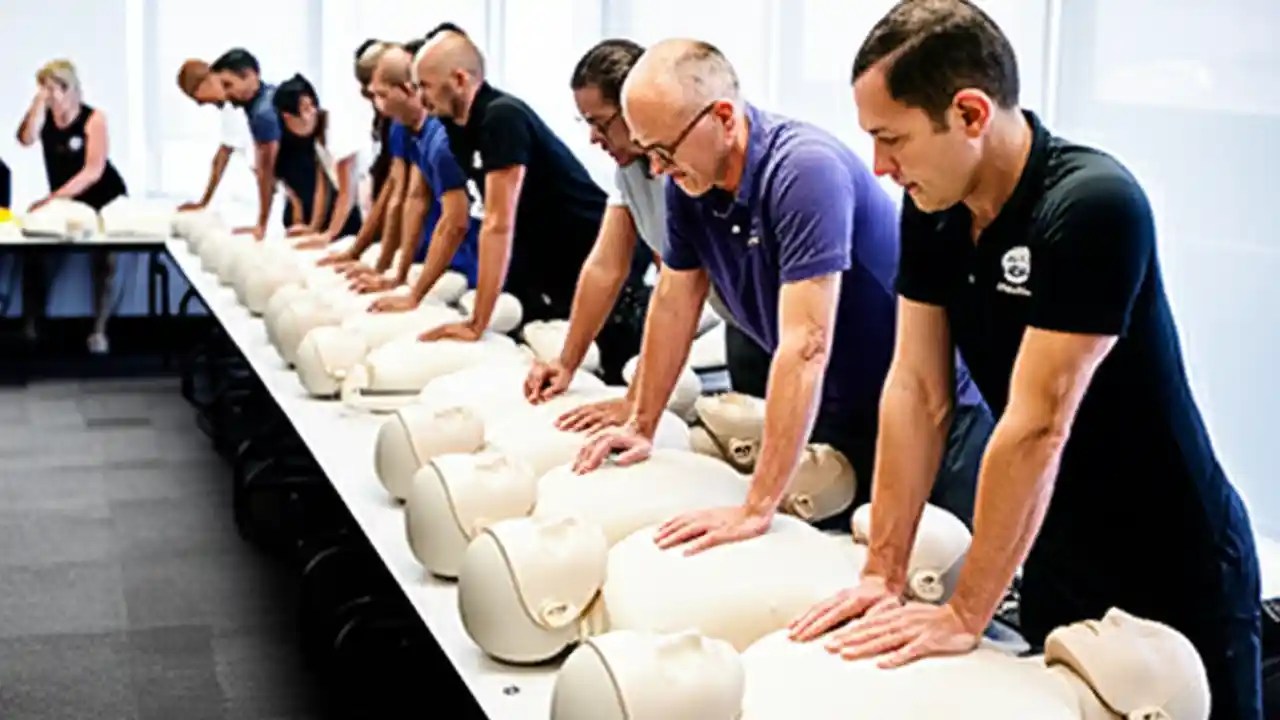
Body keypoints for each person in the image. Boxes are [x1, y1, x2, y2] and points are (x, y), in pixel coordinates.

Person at [786, 3, 1262, 719]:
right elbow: (917, 390)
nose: (880, 168)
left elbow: (1041, 425)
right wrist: (882, 574)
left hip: (1171, 556)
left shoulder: (1092, 205)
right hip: (1050, 544)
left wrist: (965, 610)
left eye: (893, 139)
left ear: (971, 114)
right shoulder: (933, 208)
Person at [573, 40, 992, 546]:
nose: (657, 169)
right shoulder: (689, 181)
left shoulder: (803, 171)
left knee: (930, 573)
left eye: (665, 151)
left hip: (928, 417)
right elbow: (674, 300)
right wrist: (641, 423)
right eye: (649, 153)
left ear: (724, 118)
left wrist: (757, 505)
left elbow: (807, 344)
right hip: (835, 407)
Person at [412, 29, 606, 341]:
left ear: (460, 80)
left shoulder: (501, 117)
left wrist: (477, 322)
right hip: (539, 252)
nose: (420, 98)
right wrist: (415, 295)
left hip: (586, 248)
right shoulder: (454, 126)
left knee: (603, 356)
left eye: (426, 86)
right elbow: (456, 221)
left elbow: (498, 222)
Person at [516, 39, 664, 393]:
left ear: (635, 108)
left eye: (600, 123)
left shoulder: (688, 170)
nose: (594, 138)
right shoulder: (631, 172)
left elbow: (679, 288)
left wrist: (641, 407)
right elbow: (604, 266)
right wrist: (566, 363)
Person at [353, 43, 480, 309]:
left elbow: (455, 221)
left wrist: (412, 294)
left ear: (409, 89)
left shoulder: (441, 138)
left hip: (464, 260)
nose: (377, 103)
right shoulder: (406, 130)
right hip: (433, 251)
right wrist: (391, 271)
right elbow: (411, 199)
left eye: (381, 94)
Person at [15, 59, 128, 354]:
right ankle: (30, 326)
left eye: (53, 89)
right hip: (65, 196)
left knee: (104, 262)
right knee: (34, 255)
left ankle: (99, 331)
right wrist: (37, 105)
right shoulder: (46, 115)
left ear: (69, 89)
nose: (49, 95)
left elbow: (93, 171)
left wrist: (52, 199)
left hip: (102, 194)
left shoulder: (94, 119)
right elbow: (26, 139)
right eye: (44, 89)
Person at [271, 74, 364, 246]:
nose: (310, 114)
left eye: (311, 106)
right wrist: (314, 227)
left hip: (368, 206)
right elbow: (323, 187)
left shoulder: (336, 129)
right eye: (305, 109)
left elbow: (348, 191)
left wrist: (329, 235)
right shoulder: (317, 138)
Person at [210, 48, 280, 241]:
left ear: (250, 76)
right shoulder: (265, 100)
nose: (225, 94)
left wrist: (261, 226)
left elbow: (267, 172)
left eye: (228, 85)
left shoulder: (263, 113)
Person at [174, 59, 253, 212]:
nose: (199, 103)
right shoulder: (229, 109)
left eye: (194, 95)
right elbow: (222, 155)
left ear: (205, 83)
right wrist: (204, 203)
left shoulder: (242, 105)